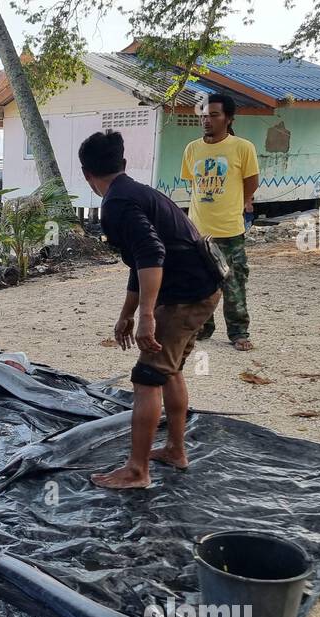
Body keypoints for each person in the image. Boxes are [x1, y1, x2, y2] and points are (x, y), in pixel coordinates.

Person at [78, 131, 222, 491]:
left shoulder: (116, 204)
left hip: (185, 294)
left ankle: (137, 471)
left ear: (86, 174)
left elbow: (151, 255)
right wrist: (127, 313)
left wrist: (146, 316)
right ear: (123, 165)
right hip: (202, 287)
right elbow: (137, 262)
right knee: (169, 370)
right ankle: (175, 449)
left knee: (146, 378)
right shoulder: (137, 192)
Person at [181, 93, 259, 351]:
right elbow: (192, 183)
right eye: (204, 115)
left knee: (233, 283)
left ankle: (238, 333)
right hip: (198, 232)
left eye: (214, 115)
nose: (207, 120)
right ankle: (203, 327)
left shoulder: (242, 147)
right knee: (200, 282)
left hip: (230, 230)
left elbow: (251, 180)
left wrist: (244, 201)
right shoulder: (192, 148)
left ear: (228, 119)